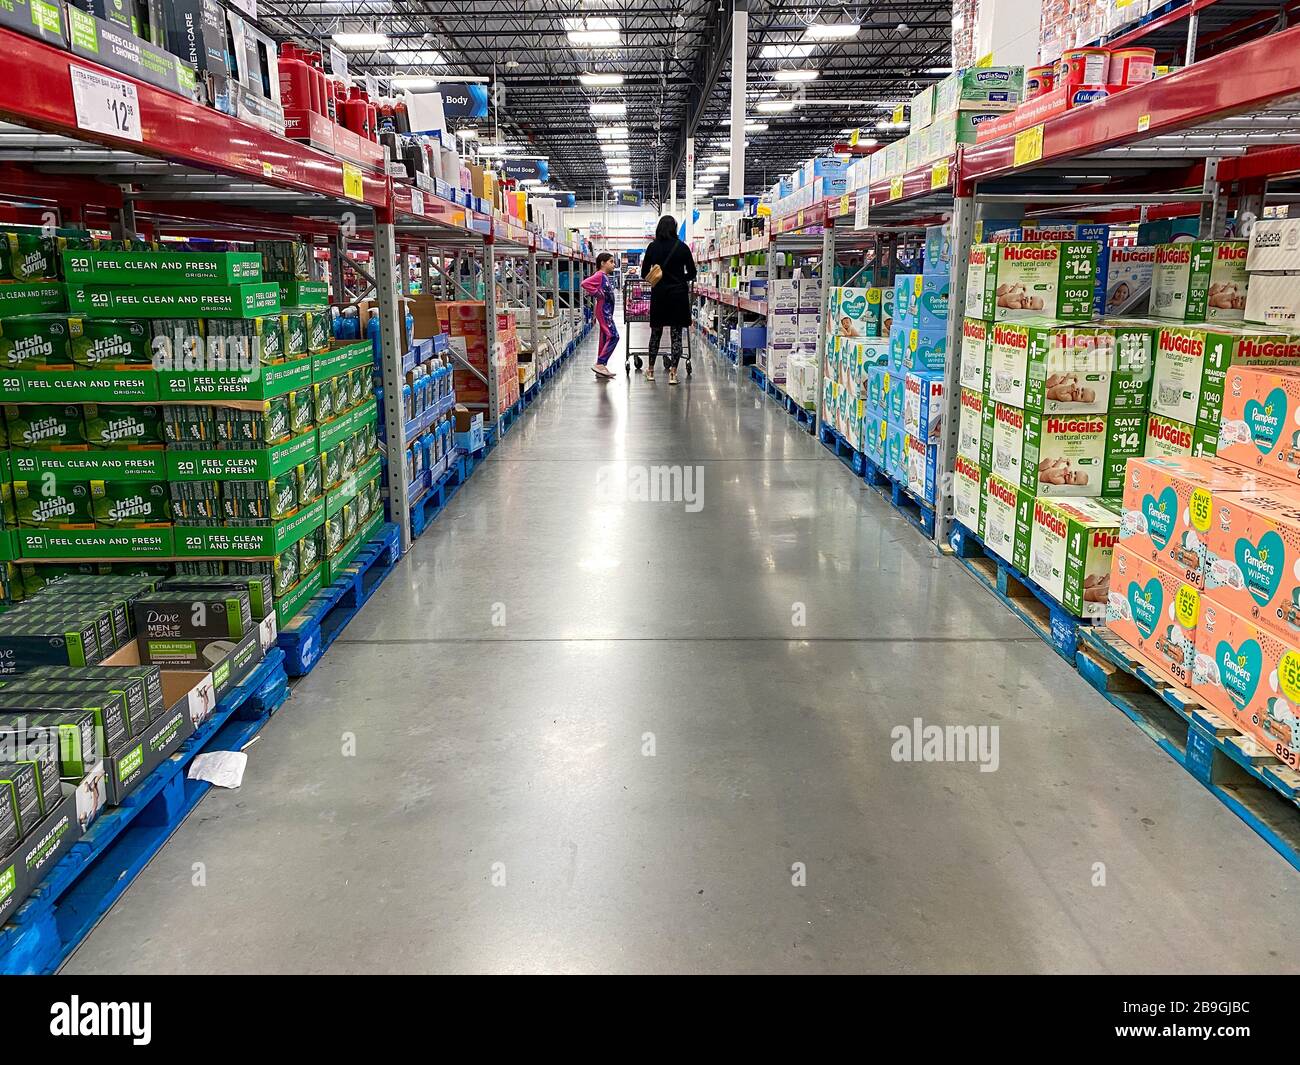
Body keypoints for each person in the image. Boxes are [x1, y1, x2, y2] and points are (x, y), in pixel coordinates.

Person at [640, 215, 697, 385]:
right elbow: (692, 273)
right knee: (676, 335)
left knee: (656, 333)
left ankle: (651, 371)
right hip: (678, 296)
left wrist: (658, 277)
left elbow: (644, 273)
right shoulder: (682, 247)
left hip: (660, 295)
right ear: (674, 228)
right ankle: (673, 373)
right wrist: (679, 279)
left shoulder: (652, 247)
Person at [581, 252, 619, 379]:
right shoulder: (599, 275)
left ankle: (600, 367)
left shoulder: (605, 276)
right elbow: (585, 283)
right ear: (602, 263)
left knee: (605, 337)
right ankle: (600, 363)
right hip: (603, 311)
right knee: (613, 336)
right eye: (611, 261)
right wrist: (597, 293)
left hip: (607, 311)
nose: (614, 264)